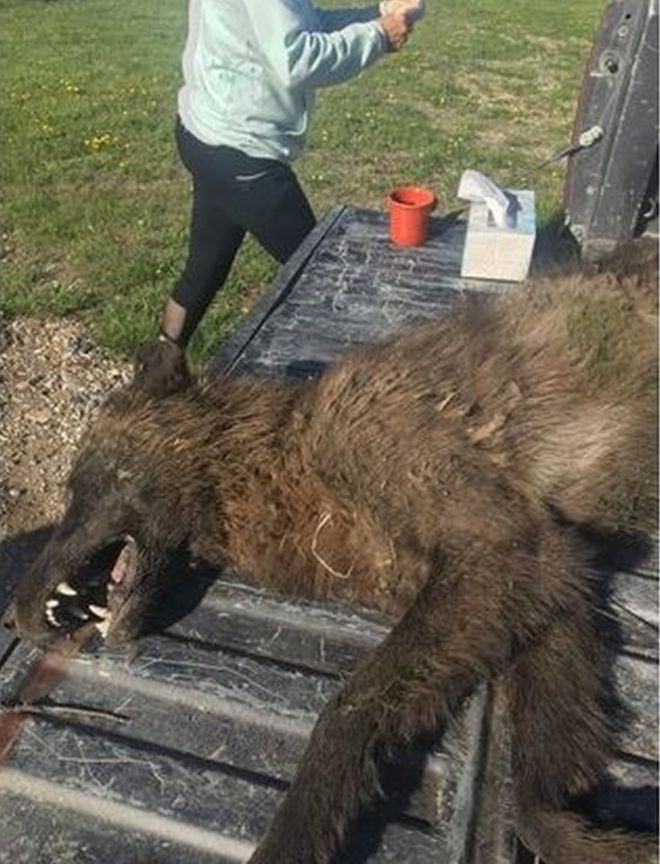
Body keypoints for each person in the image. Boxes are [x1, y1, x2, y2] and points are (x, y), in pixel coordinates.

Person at [150, 0, 425, 363]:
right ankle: (368, 391)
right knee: (324, 276)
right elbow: (297, 59)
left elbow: (306, 23)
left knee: (204, 270)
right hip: (241, 150)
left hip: (207, 133)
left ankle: (154, 376)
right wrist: (377, 35)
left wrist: (378, 14)